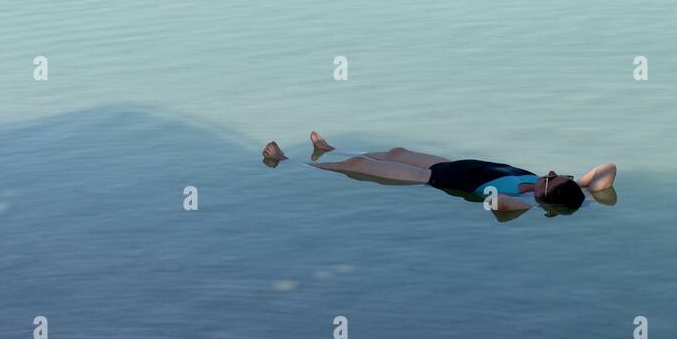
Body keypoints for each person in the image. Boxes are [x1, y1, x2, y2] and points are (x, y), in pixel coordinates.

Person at [262, 132, 616, 221]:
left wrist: (538, 206)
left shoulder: (525, 201)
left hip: (430, 179)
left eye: (549, 180)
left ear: (544, 197)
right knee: (395, 152)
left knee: (358, 165)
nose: (549, 173)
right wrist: (579, 186)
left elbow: (499, 208)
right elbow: (608, 170)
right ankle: (328, 148)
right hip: (447, 163)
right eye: (556, 175)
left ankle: (285, 161)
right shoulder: (559, 187)